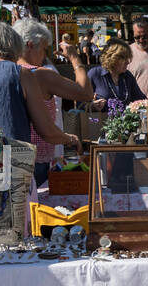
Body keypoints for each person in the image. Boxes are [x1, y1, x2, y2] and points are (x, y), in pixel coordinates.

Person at [0, 20, 80, 155]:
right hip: (11, 162)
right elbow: (46, 130)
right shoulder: (22, 74)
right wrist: (69, 139)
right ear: (15, 46)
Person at [14, 18, 94, 184]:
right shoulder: (41, 75)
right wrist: (74, 58)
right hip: (37, 161)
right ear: (30, 45)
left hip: (12, 157)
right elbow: (86, 93)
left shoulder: (6, 71)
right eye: (43, 49)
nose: (44, 55)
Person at [88, 39, 145, 109]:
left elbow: (141, 100)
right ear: (112, 58)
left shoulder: (127, 76)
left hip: (124, 120)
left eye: (128, 58)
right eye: (124, 58)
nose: (128, 62)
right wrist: (92, 105)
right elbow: (80, 104)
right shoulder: (94, 74)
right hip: (100, 119)